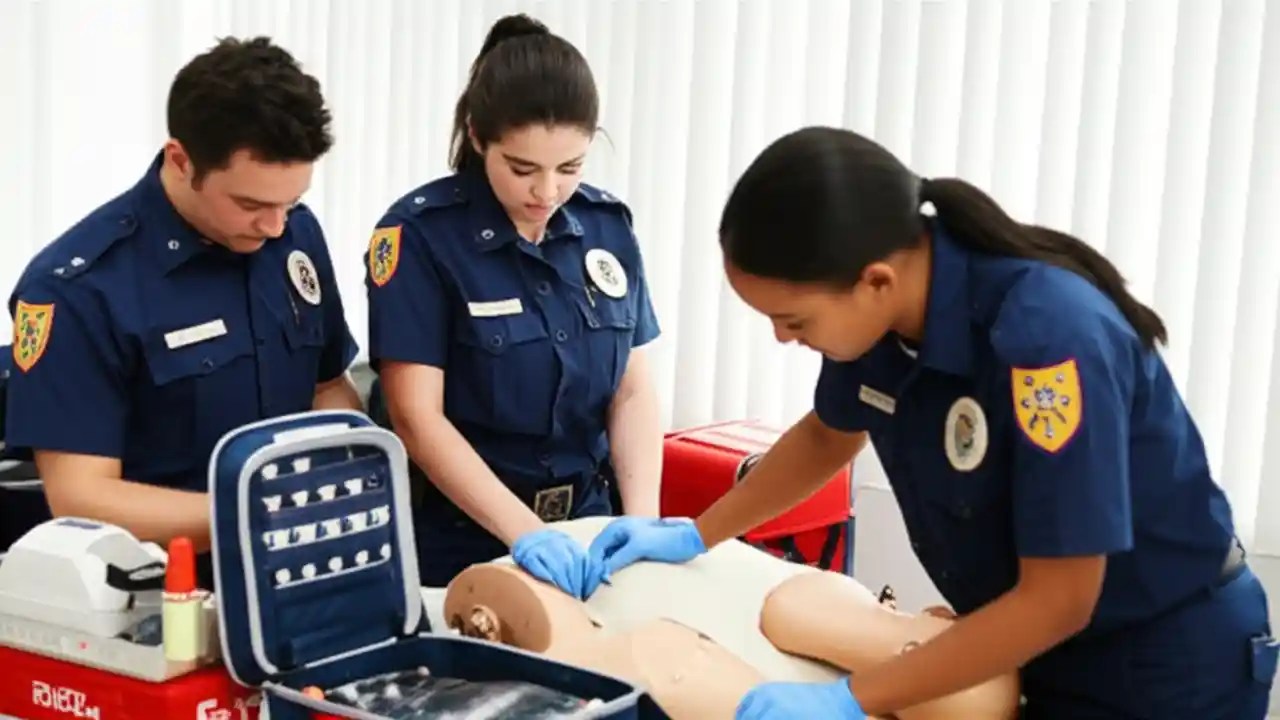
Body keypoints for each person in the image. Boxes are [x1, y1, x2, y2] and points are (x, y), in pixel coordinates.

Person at [566, 126, 1278, 719]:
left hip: (1164, 662)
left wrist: (852, 700)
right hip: (1039, 648)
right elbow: (827, 433)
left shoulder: (1045, 341)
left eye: (794, 320)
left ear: (875, 280)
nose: (785, 339)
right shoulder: (882, 325)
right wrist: (694, 532)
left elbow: (1061, 597)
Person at [4, 37, 360, 582]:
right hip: (167, 591)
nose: (274, 226)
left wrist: (355, 481)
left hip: (309, 566)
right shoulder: (78, 288)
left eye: (288, 202)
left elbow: (327, 387)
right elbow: (80, 497)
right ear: (181, 160)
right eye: (251, 204)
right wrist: (264, 514)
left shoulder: (294, 235)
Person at [364, 14, 662, 595]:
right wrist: (524, 532)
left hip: (590, 525)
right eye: (522, 169)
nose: (546, 191)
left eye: (569, 168)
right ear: (478, 138)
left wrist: (640, 523)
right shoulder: (419, 237)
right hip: (463, 542)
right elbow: (416, 418)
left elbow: (632, 388)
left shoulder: (607, 228)